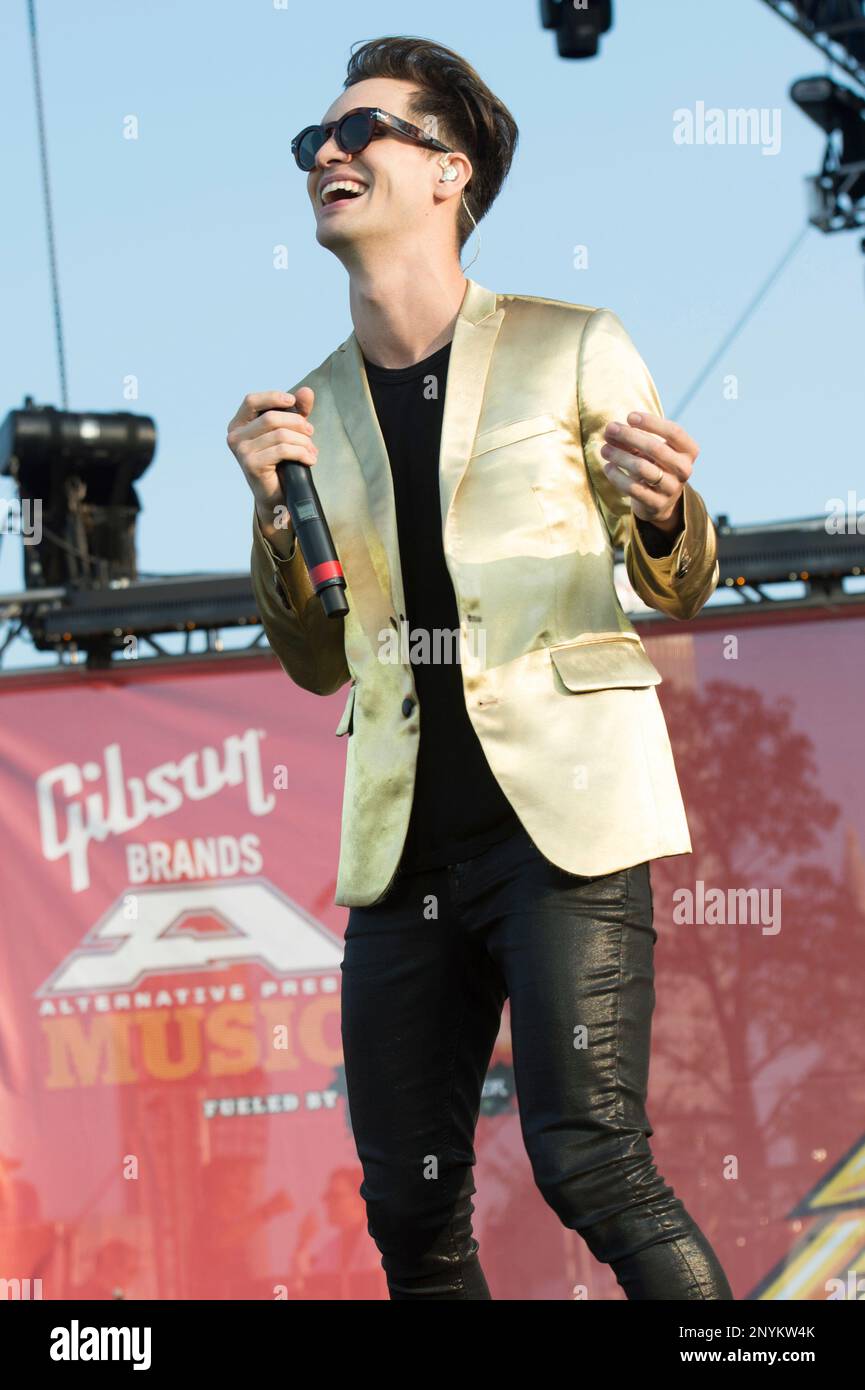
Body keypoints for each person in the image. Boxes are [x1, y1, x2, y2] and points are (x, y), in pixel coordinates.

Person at [227, 35, 733, 1301]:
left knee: (590, 1161)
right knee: (408, 1200)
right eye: (313, 142)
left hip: (560, 826)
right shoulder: (304, 410)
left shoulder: (571, 344)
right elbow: (309, 660)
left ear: (449, 170)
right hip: (404, 852)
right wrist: (271, 514)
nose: (327, 155)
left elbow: (675, 578)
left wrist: (668, 513)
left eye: (361, 133)